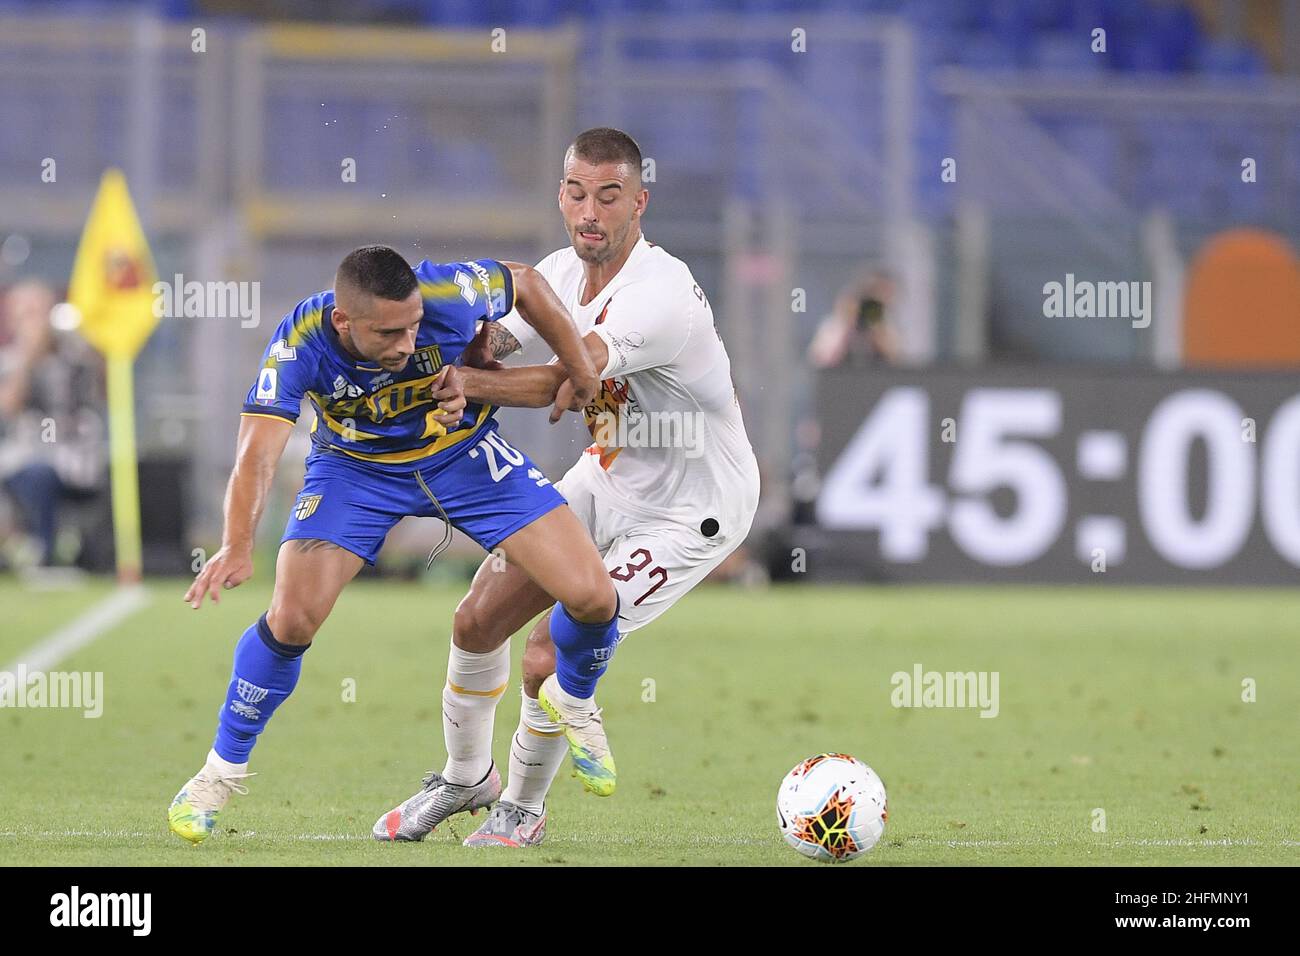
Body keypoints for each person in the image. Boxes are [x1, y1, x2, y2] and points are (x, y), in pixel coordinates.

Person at [372, 127, 761, 849]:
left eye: (609, 197)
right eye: (577, 193)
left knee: (548, 654)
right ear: (560, 195)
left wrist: (462, 384)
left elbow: (573, 376)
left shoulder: (661, 295)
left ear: (639, 202)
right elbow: (498, 342)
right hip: (606, 475)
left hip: (690, 508)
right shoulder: (555, 271)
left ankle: (521, 811)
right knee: (475, 620)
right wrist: (446, 345)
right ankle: (465, 777)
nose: (591, 212)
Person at [168, 246, 624, 845]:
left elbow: (528, 283)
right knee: (293, 615)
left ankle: (575, 698)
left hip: (462, 456)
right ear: (343, 322)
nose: (407, 344)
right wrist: (235, 544)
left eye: (412, 327)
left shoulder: (446, 294)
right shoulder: (300, 341)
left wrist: (579, 368)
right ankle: (218, 773)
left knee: (594, 597)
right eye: (389, 332)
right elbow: (257, 453)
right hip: (355, 472)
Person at [0, 280, 105, 568]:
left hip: (75, 461)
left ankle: (51, 553)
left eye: (38, 312)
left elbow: (104, 394)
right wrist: (28, 357)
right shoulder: (11, 360)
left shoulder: (76, 356)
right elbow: (8, 406)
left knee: (44, 473)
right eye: (25, 313)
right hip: (23, 459)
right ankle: (31, 547)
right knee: (35, 472)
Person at [806, 268, 900, 368]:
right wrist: (847, 322)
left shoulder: (885, 324)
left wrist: (876, 327)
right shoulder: (834, 325)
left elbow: (896, 359)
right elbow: (822, 360)